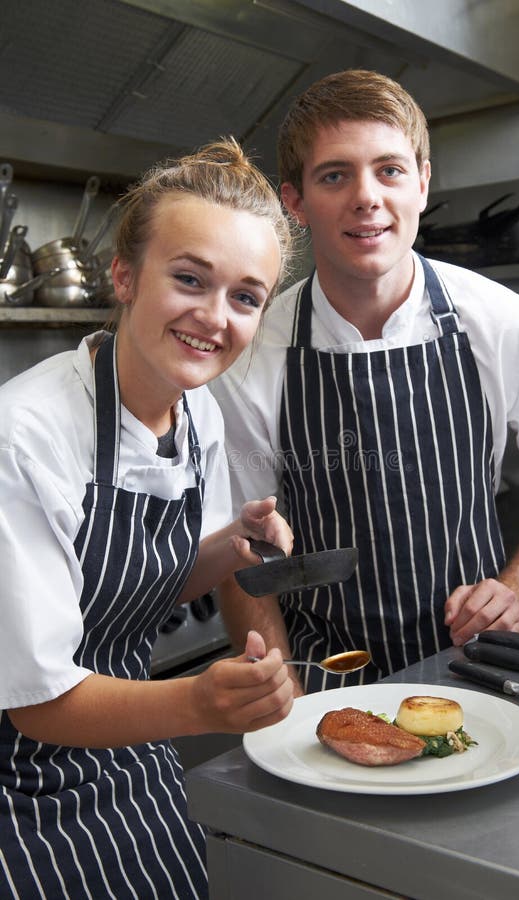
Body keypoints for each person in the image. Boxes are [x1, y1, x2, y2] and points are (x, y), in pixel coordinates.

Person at [210, 69, 519, 696]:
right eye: (335, 175)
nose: (367, 197)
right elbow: (239, 553)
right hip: (328, 681)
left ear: (422, 183)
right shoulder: (253, 354)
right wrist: (285, 697)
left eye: (388, 170)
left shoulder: (501, 322)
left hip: (478, 669)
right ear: (296, 203)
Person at [0, 138, 296, 899]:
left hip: (132, 751)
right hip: (17, 783)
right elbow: (37, 703)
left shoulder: (199, 412)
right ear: (124, 275)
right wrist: (199, 702)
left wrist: (227, 549)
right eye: (189, 279)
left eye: (245, 296)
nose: (214, 317)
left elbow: (130, 586)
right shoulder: (24, 437)